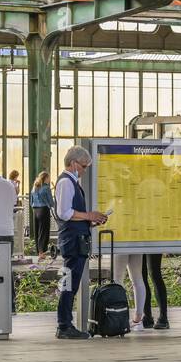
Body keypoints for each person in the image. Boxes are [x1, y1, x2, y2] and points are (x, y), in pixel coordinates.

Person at [54, 146, 108, 340]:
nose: (85, 170)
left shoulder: (72, 182)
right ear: (74, 163)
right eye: (84, 166)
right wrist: (88, 215)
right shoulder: (66, 183)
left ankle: (65, 323)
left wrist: (89, 221)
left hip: (75, 238)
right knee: (69, 283)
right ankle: (64, 324)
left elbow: (70, 214)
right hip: (72, 240)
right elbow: (64, 212)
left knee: (71, 282)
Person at [141, 255, 170, 330]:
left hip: (152, 243)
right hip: (136, 243)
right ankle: (147, 317)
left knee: (154, 273)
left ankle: (163, 318)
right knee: (141, 277)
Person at [30, 170, 53, 257]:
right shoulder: (46, 188)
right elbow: (51, 202)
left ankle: (39, 252)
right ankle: (42, 252)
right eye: (49, 178)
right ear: (46, 178)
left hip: (35, 210)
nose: (49, 180)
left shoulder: (35, 187)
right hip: (43, 210)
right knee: (43, 231)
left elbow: (31, 201)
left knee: (37, 231)